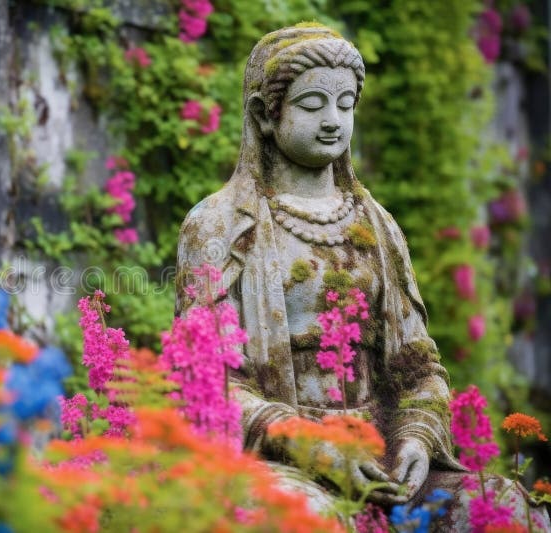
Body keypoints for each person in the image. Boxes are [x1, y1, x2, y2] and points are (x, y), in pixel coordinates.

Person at [175, 23, 550, 529]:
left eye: (345, 104)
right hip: (280, 461)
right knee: (308, 517)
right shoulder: (219, 226)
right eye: (312, 105)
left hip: (384, 457)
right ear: (265, 115)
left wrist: (417, 435)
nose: (333, 120)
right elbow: (206, 378)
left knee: (507, 508)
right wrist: (307, 444)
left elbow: (418, 366)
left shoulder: (378, 226)